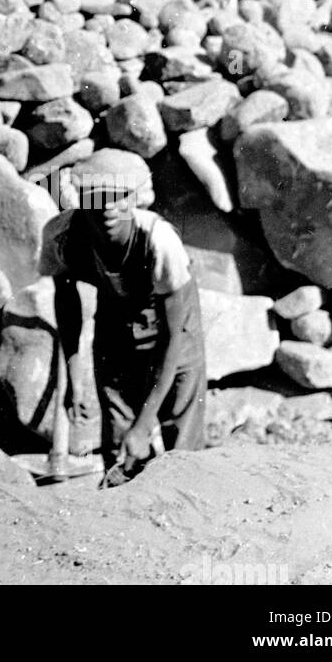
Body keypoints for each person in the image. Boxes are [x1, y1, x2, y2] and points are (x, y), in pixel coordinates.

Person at [43, 157, 207, 474]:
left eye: (117, 196)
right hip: (115, 319)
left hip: (174, 330)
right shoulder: (62, 235)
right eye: (96, 197)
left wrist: (145, 424)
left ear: (133, 198)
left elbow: (173, 338)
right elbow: (67, 304)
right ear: (79, 198)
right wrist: (74, 374)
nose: (107, 208)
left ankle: (184, 490)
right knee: (120, 437)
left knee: (181, 432)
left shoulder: (160, 240)